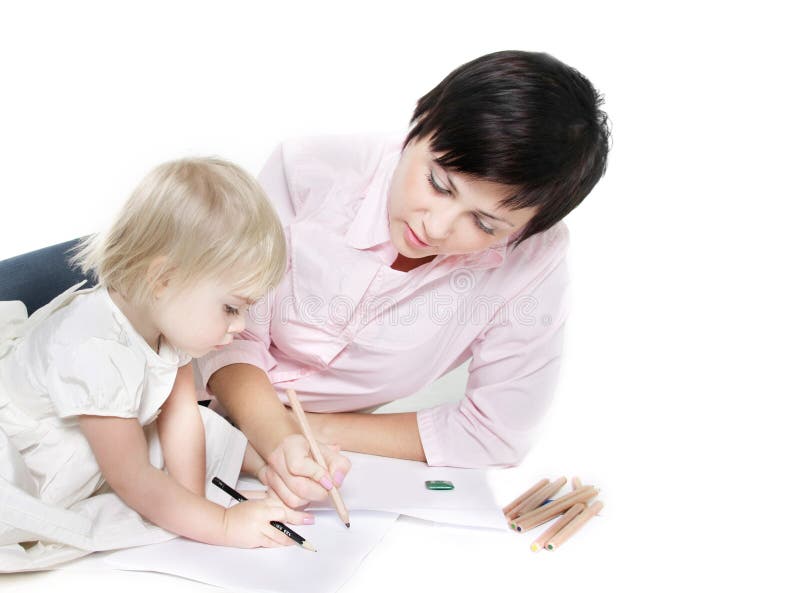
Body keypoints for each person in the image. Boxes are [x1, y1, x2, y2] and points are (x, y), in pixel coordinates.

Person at [198, 50, 610, 509]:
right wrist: (274, 433)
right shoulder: (310, 170)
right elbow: (226, 329)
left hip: (255, 445)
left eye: (484, 224)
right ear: (421, 121)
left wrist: (304, 430)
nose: (436, 227)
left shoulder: (534, 261)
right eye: (438, 184)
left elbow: (495, 433)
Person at [0, 157, 314, 572]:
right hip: (28, 452)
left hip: (106, 433)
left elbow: (181, 418)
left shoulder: (168, 325)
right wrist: (221, 525)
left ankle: (259, 468)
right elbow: (131, 476)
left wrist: (196, 506)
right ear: (163, 279)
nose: (240, 326)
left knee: (203, 428)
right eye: (231, 308)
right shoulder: (95, 349)